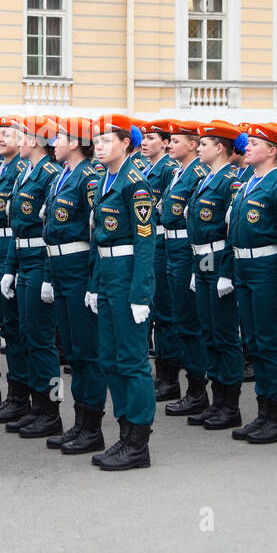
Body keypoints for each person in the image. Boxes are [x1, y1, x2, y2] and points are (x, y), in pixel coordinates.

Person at [87, 115, 157, 470]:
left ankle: (138, 442)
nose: (98, 146)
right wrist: (94, 285)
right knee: (110, 359)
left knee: (132, 362)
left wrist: (141, 294)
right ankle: (123, 433)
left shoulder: (135, 182)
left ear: (126, 143)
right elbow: (100, 238)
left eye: (105, 140)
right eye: (95, 141)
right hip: (108, 274)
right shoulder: (104, 180)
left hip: (129, 276)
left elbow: (145, 242)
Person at [42, 117, 107, 454]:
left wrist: (93, 281)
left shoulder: (89, 178)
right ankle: (79, 423)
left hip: (80, 268)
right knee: (71, 350)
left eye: (60, 138)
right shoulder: (61, 177)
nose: (53, 143)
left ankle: (91, 426)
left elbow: (97, 233)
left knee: (86, 351)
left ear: (76, 142)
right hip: (60, 266)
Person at [0, 117, 65, 439]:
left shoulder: (50, 174)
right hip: (23, 258)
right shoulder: (26, 173)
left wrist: (48, 275)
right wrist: (10, 267)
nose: (20, 141)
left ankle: (50, 409)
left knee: (41, 339)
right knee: (26, 334)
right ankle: (33, 404)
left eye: (23, 137)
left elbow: (50, 229)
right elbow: (17, 226)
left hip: (41, 260)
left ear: (36, 141)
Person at [228, 123, 277, 443]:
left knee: (270, 343)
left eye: (254, 143)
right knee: (254, 343)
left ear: (272, 151)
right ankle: (263, 412)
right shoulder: (246, 183)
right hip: (243, 266)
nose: (247, 147)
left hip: (267, 266)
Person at [186, 122, 245, 430]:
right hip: (203, 257)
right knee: (207, 330)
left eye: (205, 143)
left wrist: (225, 272)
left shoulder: (231, 180)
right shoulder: (206, 178)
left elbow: (232, 229)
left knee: (224, 333)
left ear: (220, 147)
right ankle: (216, 399)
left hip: (219, 256)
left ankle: (229, 404)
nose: (199, 148)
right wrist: (200, 269)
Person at [160, 121, 210, 412]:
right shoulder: (180, 172)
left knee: (191, 323)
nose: (169, 145)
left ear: (192, 145)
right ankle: (189, 385)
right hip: (171, 246)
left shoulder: (198, 173)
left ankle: (197, 390)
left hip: (187, 249)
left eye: (175, 141)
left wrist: (197, 265)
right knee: (178, 318)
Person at [0, 117, 28, 424]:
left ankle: (23, 396)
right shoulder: (0, 169)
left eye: (6, 134)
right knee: (7, 327)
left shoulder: (22, 171)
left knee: (20, 329)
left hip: (15, 251)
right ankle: (15, 396)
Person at [140, 121, 180, 399]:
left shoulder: (168, 169)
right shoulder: (146, 169)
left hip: (163, 243)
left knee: (165, 313)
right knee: (152, 310)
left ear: (165, 143)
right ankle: (159, 374)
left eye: (151, 138)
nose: (144, 142)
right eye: (143, 137)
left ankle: (169, 378)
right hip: (150, 243)